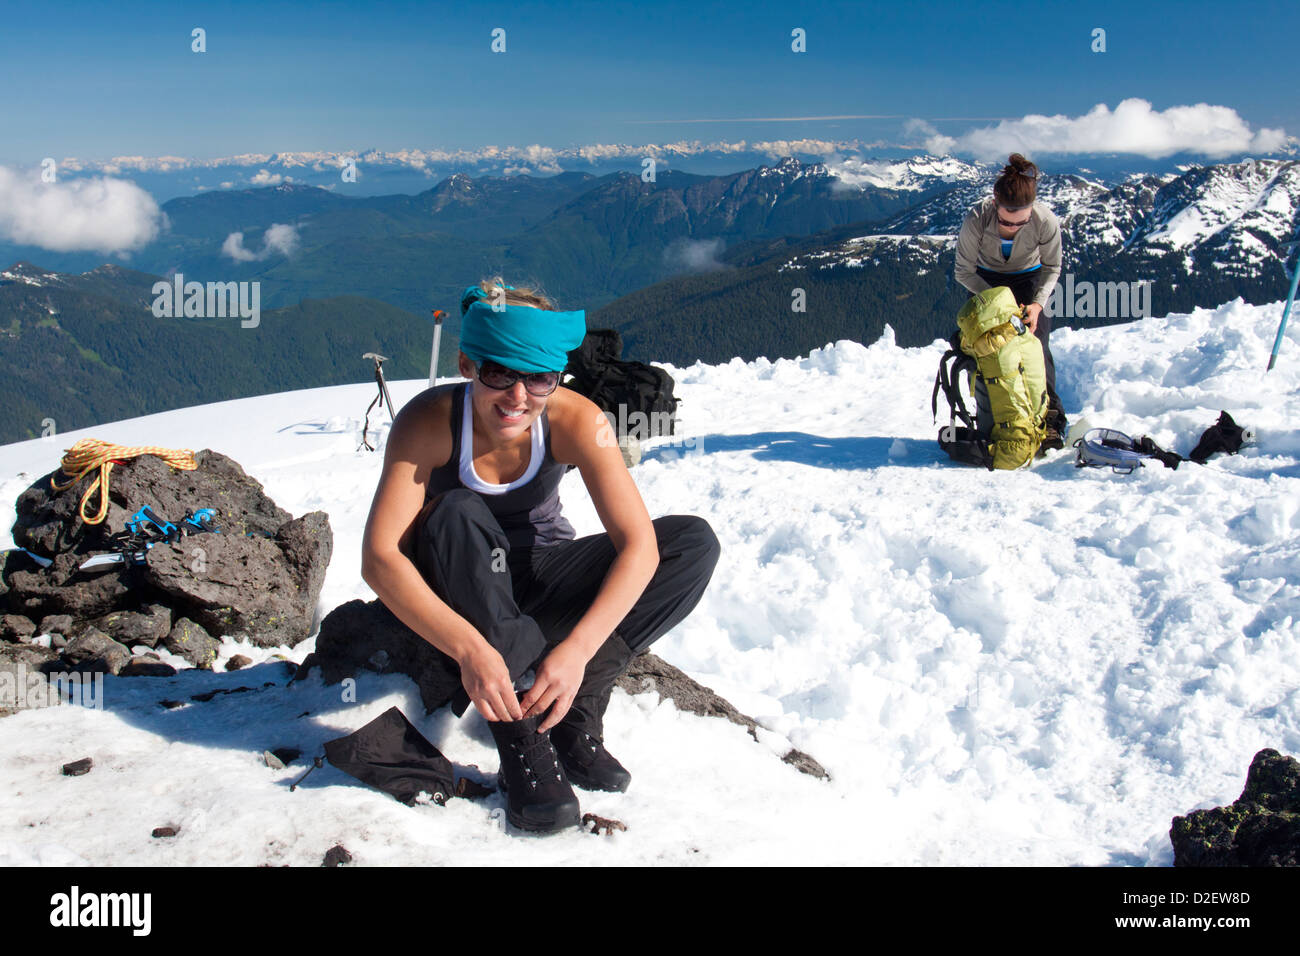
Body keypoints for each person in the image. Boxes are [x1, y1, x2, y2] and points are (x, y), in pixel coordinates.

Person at [360, 279, 720, 834]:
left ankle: (574, 705)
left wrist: (578, 651)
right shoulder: (428, 422)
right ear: (466, 364)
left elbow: (639, 546)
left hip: (537, 577)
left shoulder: (577, 419)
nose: (518, 396)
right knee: (456, 511)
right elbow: (381, 558)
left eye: (539, 378)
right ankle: (521, 735)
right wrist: (470, 650)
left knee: (691, 542)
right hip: (456, 586)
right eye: (499, 372)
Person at [954, 153, 1067, 443]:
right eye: (1007, 222)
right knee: (986, 345)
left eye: (1021, 222)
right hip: (985, 281)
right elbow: (963, 271)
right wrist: (999, 303)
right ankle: (992, 413)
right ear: (995, 205)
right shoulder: (977, 218)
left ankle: (1050, 416)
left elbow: (1053, 267)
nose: (1013, 228)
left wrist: (1037, 304)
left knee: (1037, 342)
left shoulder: (1045, 221)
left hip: (1030, 279)